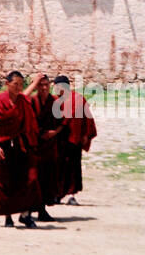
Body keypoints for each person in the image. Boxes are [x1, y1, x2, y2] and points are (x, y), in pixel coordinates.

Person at [0, 71, 38, 228]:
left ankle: (25, 214)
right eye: (15, 84)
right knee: (5, 181)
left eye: (20, 85)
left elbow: (26, 94)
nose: (18, 88)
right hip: (3, 146)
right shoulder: (0, 101)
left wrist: (36, 82)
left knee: (28, 178)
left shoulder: (22, 100)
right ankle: (8, 216)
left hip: (20, 144)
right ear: (7, 84)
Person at [53, 76, 97, 205]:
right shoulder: (57, 101)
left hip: (72, 140)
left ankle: (69, 195)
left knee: (70, 167)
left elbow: (87, 119)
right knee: (63, 167)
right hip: (62, 140)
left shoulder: (77, 100)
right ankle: (60, 195)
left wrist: (85, 135)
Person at [26, 72, 60, 219]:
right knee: (35, 177)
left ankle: (42, 209)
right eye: (41, 85)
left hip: (50, 144)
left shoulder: (55, 102)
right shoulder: (33, 101)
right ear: (37, 87)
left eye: (46, 85)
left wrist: (54, 133)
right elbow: (22, 101)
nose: (44, 88)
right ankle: (33, 208)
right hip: (36, 143)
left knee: (47, 177)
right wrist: (39, 134)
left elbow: (63, 122)